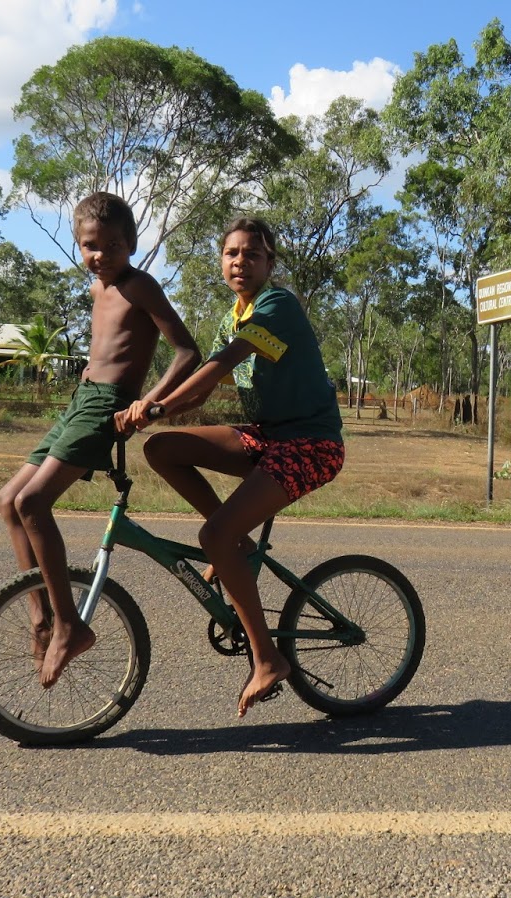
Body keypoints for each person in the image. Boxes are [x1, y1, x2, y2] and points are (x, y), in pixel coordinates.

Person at [114, 217, 344, 717]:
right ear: (221, 261)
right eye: (232, 254)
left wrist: (154, 407)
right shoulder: (230, 316)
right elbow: (202, 384)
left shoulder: (276, 306)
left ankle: (268, 660)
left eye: (253, 255)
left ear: (269, 264)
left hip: (311, 443)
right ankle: (234, 542)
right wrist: (150, 408)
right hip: (268, 437)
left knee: (212, 536)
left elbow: (222, 364)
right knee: (163, 449)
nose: (241, 262)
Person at [0, 192, 201, 689]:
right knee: (8, 500)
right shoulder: (96, 291)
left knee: (34, 501)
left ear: (130, 244)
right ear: (78, 246)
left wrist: (147, 403)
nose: (101, 254)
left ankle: (71, 624)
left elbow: (186, 352)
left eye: (112, 244)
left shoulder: (141, 286)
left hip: (106, 403)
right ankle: (42, 616)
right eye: (91, 245)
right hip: (81, 397)